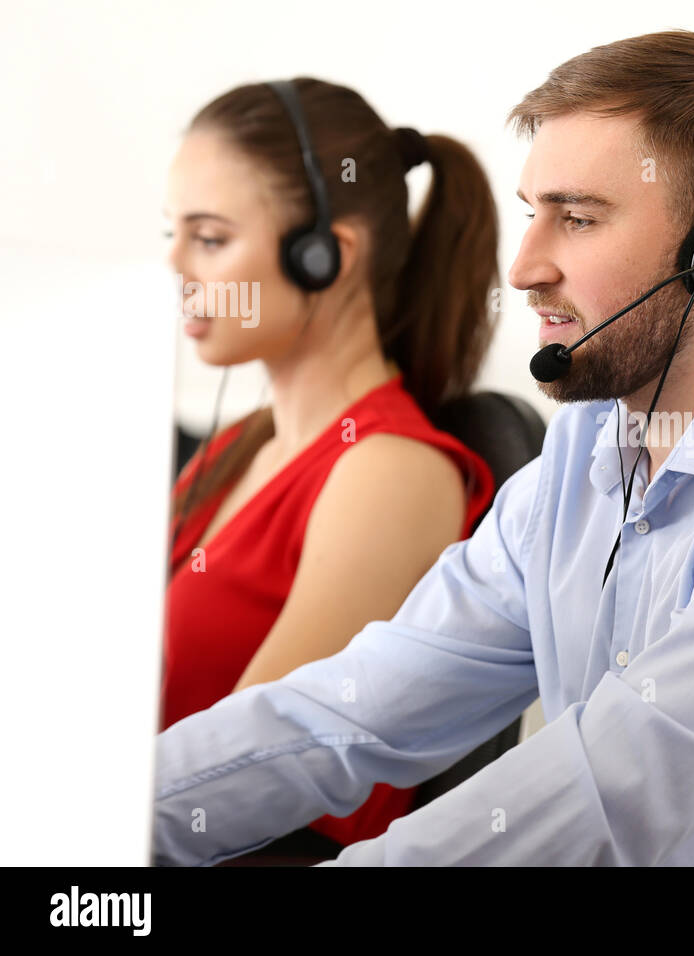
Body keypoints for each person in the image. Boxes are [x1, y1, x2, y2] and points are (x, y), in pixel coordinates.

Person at [152, 31, 694, 867]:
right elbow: (352, 709)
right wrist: (100, 822)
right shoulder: (587, 455)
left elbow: (604, 791)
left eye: (578, 219)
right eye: (533, 216)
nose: (523, 266)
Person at [161, 77, 497, 854]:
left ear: (325, 257)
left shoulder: (388, 474)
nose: (176, 266)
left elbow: (243, 777)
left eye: (209, 239)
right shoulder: (235, 446)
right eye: (172, 235)